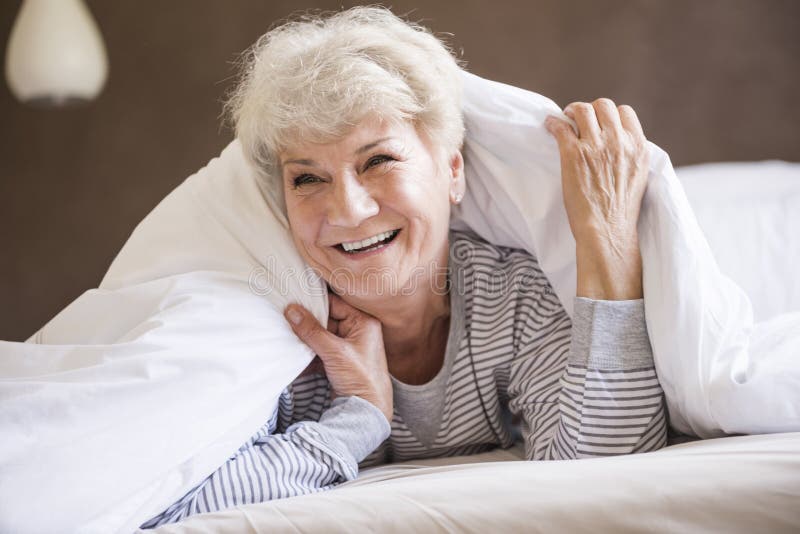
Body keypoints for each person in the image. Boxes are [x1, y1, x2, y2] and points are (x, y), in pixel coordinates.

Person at [141, 6, 665, 528]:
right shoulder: (277, 330)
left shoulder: (510, 298)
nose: (348, 210)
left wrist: (608, 236)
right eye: (307, 179)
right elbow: (170, 508)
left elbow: (605, 468)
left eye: (378, 161)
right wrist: (358, 418)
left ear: (452, 171)